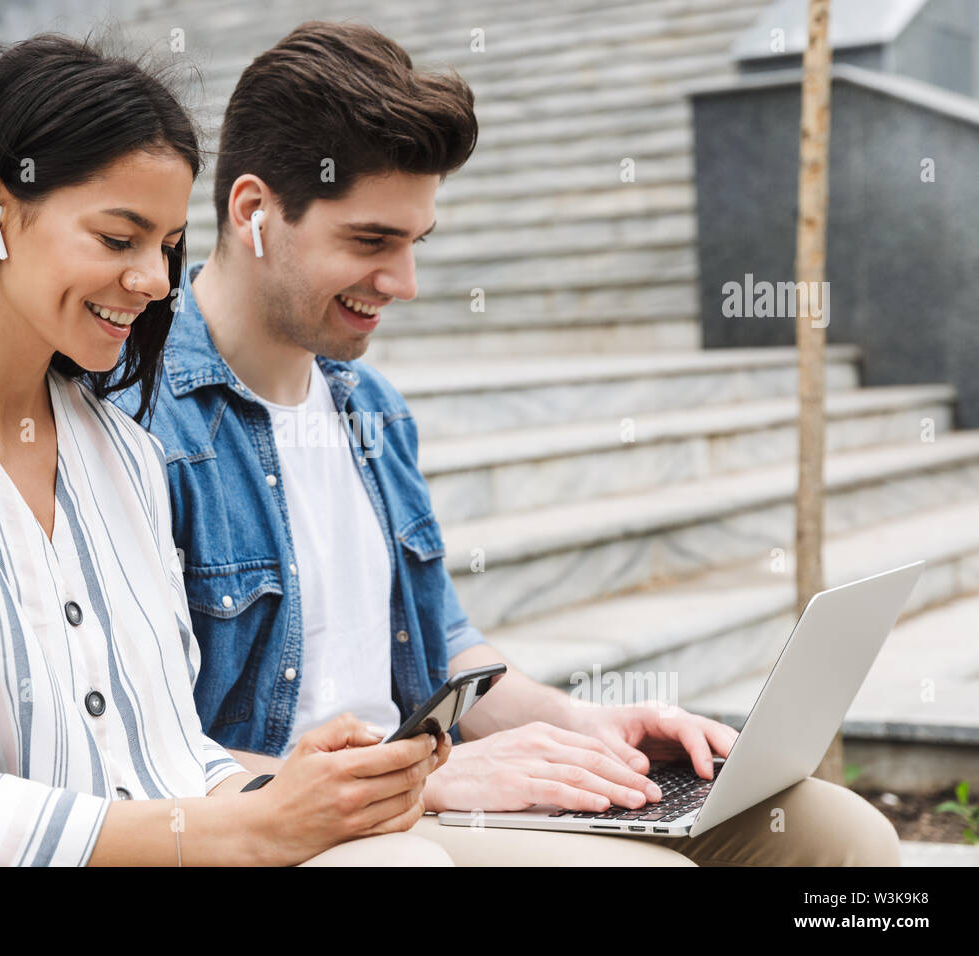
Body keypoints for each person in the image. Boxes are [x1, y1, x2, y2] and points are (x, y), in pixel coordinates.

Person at [116, 20, 902, 866]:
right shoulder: (141, 419)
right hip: (296, 818)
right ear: (254, 212)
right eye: (371, 241)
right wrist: (415, 783)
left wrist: (588, 725)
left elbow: (447, 649)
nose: (404, 284)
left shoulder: (368, 407)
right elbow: (135, 745)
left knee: (839, 836)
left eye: (416, 244)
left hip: (423, 790)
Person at [0, 32, 452, 867]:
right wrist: (250, 829)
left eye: (165, 246)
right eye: (119, 240)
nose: (155, 280)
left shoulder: (121, 449)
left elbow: (167, 756)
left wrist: (294, 789)